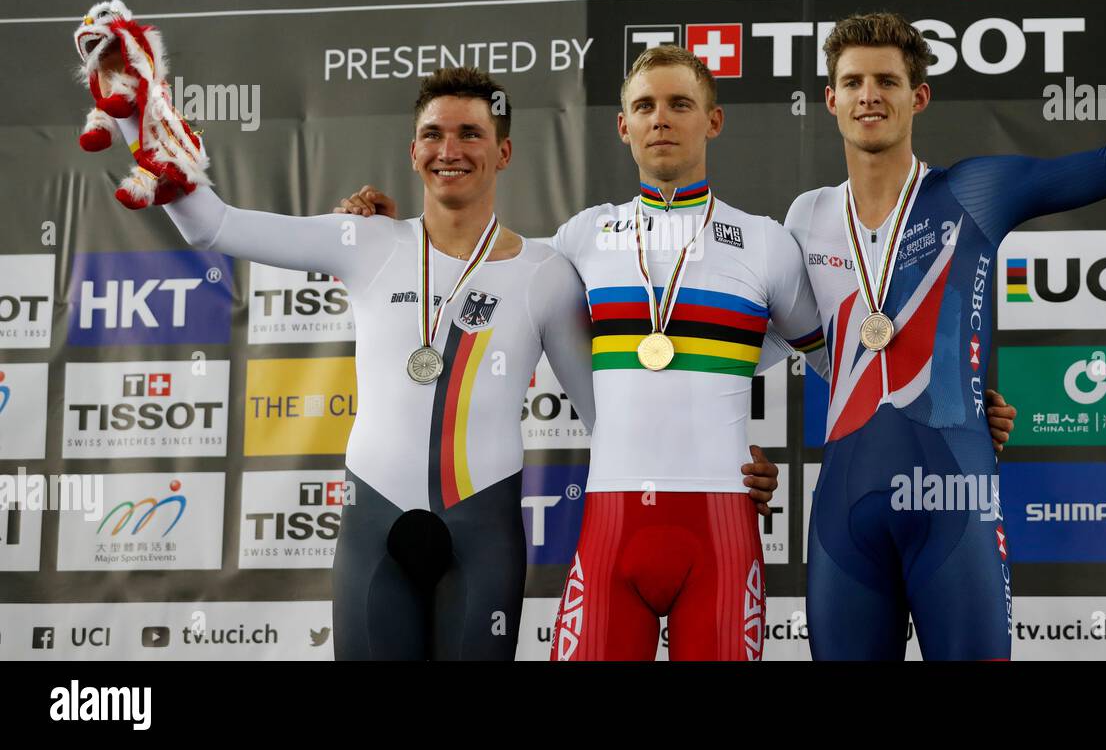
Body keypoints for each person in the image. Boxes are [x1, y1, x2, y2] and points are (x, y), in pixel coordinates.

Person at [337, 46, 1017, 660]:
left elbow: (844, 360)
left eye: (680, 104)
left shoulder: (764, 241)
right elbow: (484, 272)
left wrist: (945, 408)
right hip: (610, 532)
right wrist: (391, 234)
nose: (661, 119)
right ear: (622, 126)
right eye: (644, 106)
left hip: (719, 529)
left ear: (712, 122)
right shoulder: (581, 237)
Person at [82, 35, 598, 659]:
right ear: (413, 152)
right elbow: (214, 225)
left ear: (504, 150)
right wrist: (140, 117)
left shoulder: (546, 273)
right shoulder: (365, 240)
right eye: (433, 135)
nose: (450, 150)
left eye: (470, 133)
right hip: (371, 527)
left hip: (482, 532)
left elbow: (604, 419)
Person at [788, 9, 1106, 660]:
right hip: (847, 510)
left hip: (956, 502)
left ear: (917, 96)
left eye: (888, 81)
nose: (869, 94)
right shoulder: (806, 216)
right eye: (854, 81)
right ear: (830, 98)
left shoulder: (975, 191)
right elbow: (813, 351)